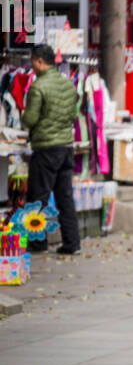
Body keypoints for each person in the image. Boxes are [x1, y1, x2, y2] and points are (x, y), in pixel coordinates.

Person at [22, 44, 80, 256]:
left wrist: (23, 117)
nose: (31, 66)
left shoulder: (38, 88)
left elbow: (30, 119)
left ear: (39, 61)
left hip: (46, 149)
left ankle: (38, 243)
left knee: (38, 197)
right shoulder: (68, 85)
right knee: (65, 197)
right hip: (66, 147)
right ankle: (72, 243)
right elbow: (72, 116)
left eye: (32, 61)